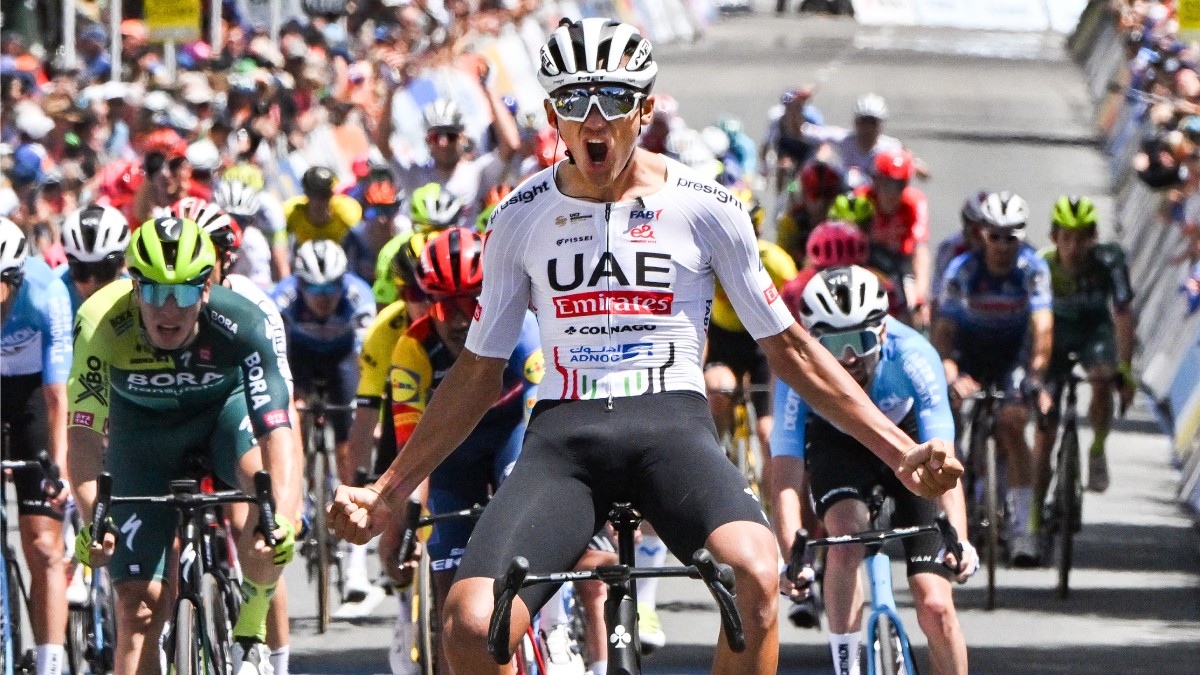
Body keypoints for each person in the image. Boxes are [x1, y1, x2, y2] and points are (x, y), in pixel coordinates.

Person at [328, 18, 961, 675]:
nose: (595, 120)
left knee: (757, 571)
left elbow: (791, 347)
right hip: (564, 440)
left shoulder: (707, 206)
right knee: (465, 624)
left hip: (672, 427)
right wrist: (388, 490)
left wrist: (900, 448)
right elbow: (478, 371)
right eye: (575, 101)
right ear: (552, 114)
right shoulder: (521, 214)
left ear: (646, 109)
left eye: (615, 100)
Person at [67, 217, 297, 675]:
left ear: (206, 290)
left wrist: (286, 518)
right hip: (141, 435)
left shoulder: (244, 321)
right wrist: (93, 514)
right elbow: (84, 433)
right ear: (134, 288)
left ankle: (250, 631)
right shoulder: (100, 322)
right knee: (139, 609)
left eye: (185, 294)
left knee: (267, 492)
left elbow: (278, 432)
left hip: (222, 419)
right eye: (153, 292)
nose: (168, 310)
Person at [772, 266, 975, 675]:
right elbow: (786, 468)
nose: (849, 359)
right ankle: (846, 667)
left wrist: (961, 539)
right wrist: (788, 552)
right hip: (838, 443)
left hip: (910, 441)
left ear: (882, 332)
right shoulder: (795, 370)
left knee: (935, 604)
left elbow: (943, 461)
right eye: (835, 344)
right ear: (812, 341)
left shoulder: (915, 355)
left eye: (860, 341)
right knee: (844, 541)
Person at [931, 191, 1053, 567]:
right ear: (982, 234)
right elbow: (943, 332)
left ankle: (1022, 530)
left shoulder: (1033, 268)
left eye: (1011, 236)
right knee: (945, 410)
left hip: (1012, 356)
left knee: (1014, 423)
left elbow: (1043, 327)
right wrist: (949, 371)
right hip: (970, 354)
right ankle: (960, 485)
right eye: (994, 235)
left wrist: (1036, 376)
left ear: (1022, 236)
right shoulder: (962, 271)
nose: (1002, 245)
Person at [272, 240, 375, 600]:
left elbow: (367, 362)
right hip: (297, 358)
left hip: (343, 360)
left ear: (343, 284)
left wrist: (364, 414)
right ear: (298, 285)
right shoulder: (281, 299)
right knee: (291, 419)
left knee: (349, 445)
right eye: (313, 288)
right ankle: (299, 494)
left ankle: (356, 562)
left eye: (330, 287)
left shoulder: (359, 299)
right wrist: (288, 397)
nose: (322, 297)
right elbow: (272, 357)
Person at [0, 217, 72, 675]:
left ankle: (49, 663)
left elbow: (56, 398)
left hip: (32, 395)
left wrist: (59, 470)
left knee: (43, 545)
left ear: (12, 279)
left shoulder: (47, 294)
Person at [1035, 196, 1136, 495]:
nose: (1074, 248)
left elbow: (1123, 315)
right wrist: (1036, 374)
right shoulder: (1043, 266)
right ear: (1055, 237)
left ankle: (1097, 448)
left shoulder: (1109, 261)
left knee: (1103, 379)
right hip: (1057, 334)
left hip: (1095, 332)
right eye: (1066, 238)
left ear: (1094, 238)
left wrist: (1125, 370)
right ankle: (1034, 518)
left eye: (1082, 239)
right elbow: (1035, 324)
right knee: (1045, 432)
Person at [860, 148, 932, 328]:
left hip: (899, 261)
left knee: (910, 309)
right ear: (875, 181)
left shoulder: (914, 203)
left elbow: (920, 252)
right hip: (867, 259)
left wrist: (919, 297)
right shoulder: (862, 200)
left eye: (897, 185)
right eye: (884, 184)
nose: (889, 193)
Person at [59, 203, 131, 312]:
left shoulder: (138, 290)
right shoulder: (53, 291)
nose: (92, 282)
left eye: (103, 270)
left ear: (123, 265)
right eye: (81, 271)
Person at [283, 166, 364, 245]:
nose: (318, 201)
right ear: (306, 194)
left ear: (332, 194)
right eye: (313, 195)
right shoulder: (291, 212)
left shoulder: (347, 210)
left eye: (325, 195)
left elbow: (363, 243)